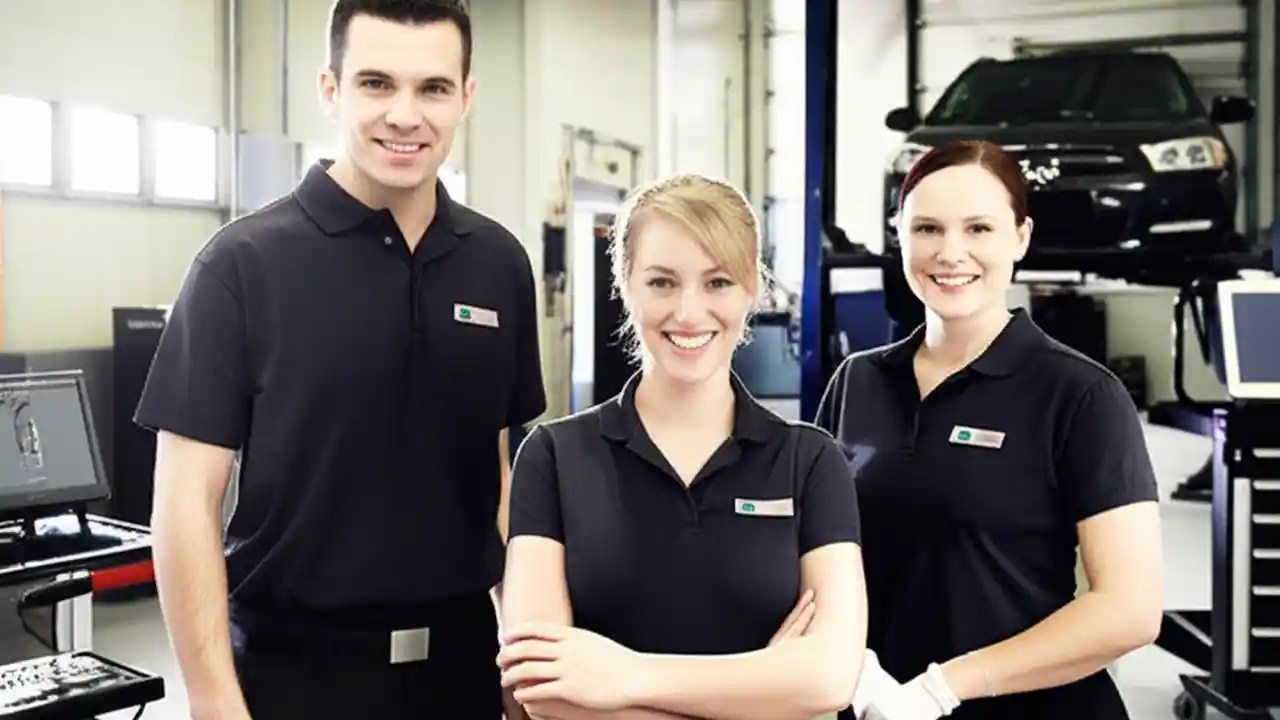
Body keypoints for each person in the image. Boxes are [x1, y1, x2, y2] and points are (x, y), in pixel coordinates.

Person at [133, 1, 544, 718]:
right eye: (377, 84)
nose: (405, 115)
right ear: (331, 90)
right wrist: (213, 700)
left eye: (433, 89)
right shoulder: (242, 265)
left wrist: (523, 658)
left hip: (463, 668)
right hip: (293, 678)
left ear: (466, 98)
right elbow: (184, 504)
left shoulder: (499, 265)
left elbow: (502, 483)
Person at [497, 173, 867, 720]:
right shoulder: (554, 456)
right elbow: (544, 693)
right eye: (662, 282)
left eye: (717, 282)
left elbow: (831, 676)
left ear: (751, 288)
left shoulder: (808, 462)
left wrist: (626, 676)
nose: (689, 313)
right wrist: (766, 696)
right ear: (625, 283)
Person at [819, 140, 1164, 720]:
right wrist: (852, 665)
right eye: (927, 228)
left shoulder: (1079, 395)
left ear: (1020, 238)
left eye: (979, 228)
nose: (951, 252)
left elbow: (1129, 609)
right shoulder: (859, 381)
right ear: (899, 235)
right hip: (881, 707)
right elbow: (814, 553)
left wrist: (943, 687)